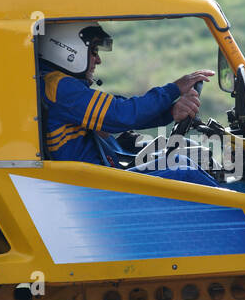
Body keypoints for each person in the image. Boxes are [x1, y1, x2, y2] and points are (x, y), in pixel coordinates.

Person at [37, 22, 216, 186]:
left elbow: (116, 109)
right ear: (69, 50)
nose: (98, 60)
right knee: (184, 171)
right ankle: (241, 215)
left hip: (99, 177)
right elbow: (121, 114)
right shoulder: (59, 87)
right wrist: (174, 89)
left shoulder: (56, 84)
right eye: (93, 51)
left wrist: (171, 112)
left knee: (183, 153)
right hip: (95, 189)